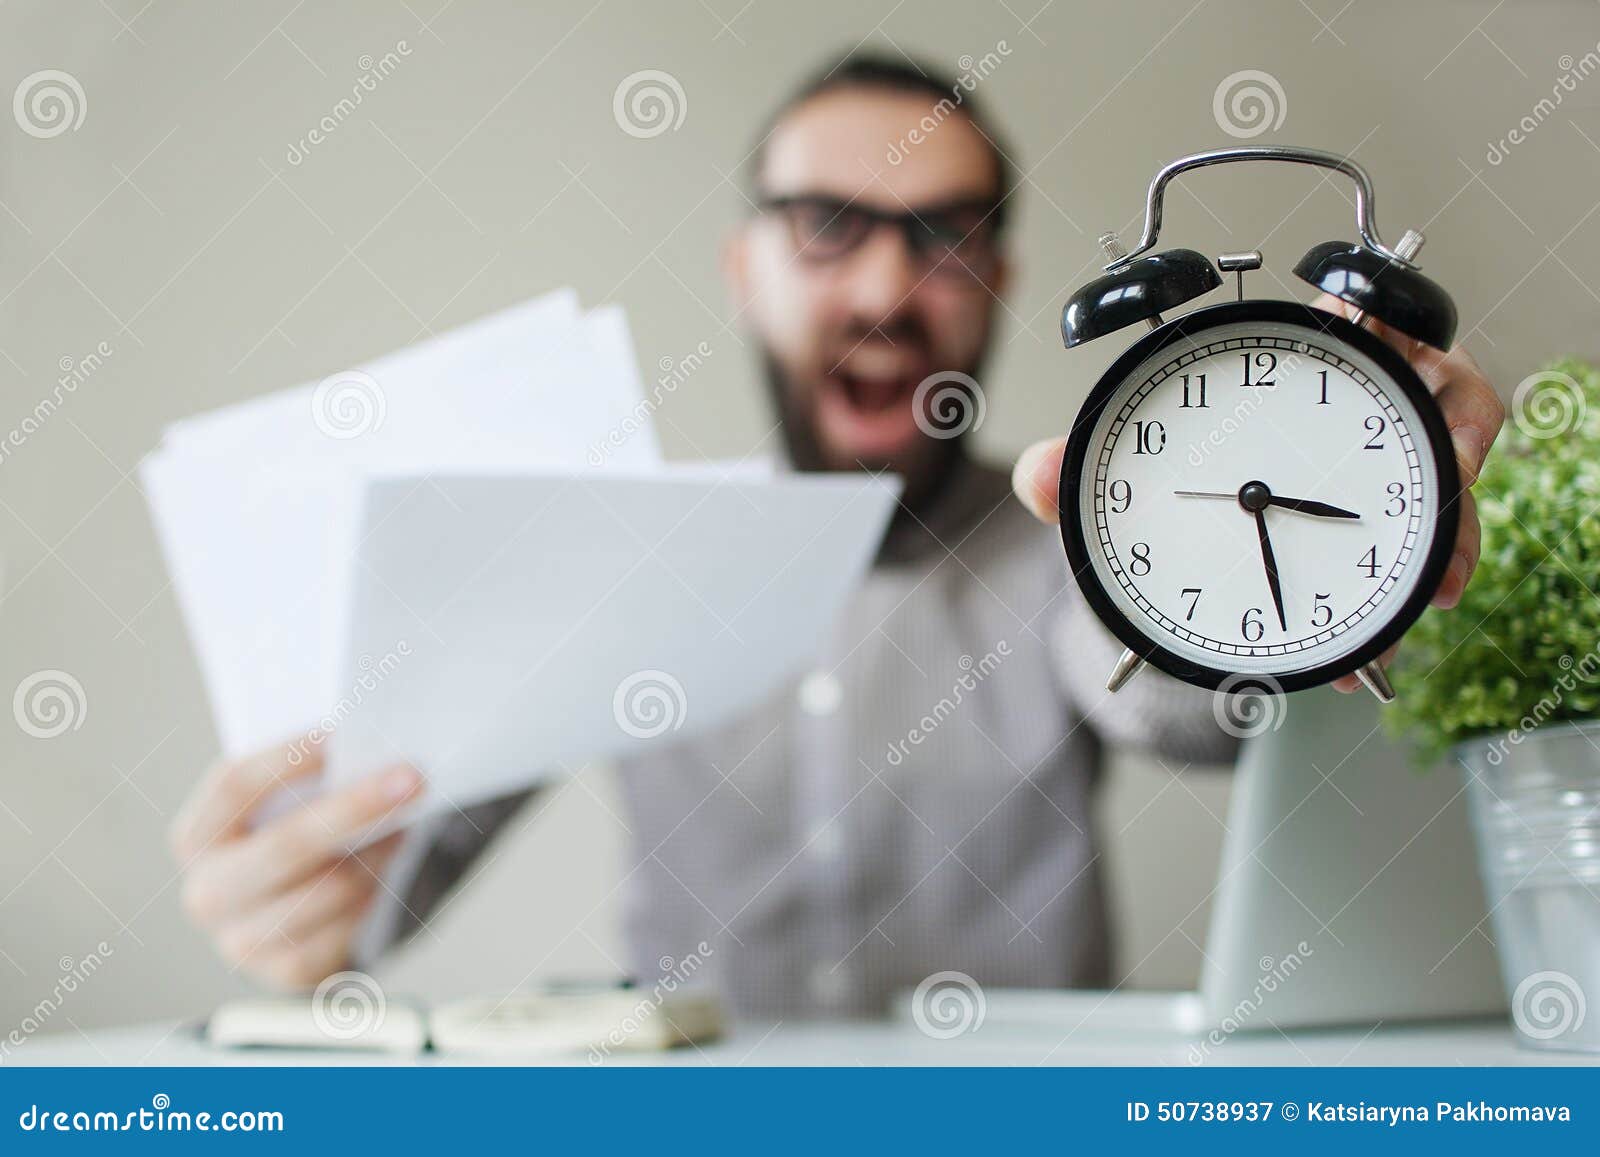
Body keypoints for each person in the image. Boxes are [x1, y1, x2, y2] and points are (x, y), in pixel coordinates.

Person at [167, 54, 1505, 1016]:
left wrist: (1334, 531)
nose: (883, 285)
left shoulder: (1082, 536)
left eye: (946, 236)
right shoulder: (607, 557)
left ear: (1001, 283)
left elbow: (1183, 693)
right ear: (745, 270)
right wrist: (305, 899)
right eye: (828, 229)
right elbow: (391, 849)